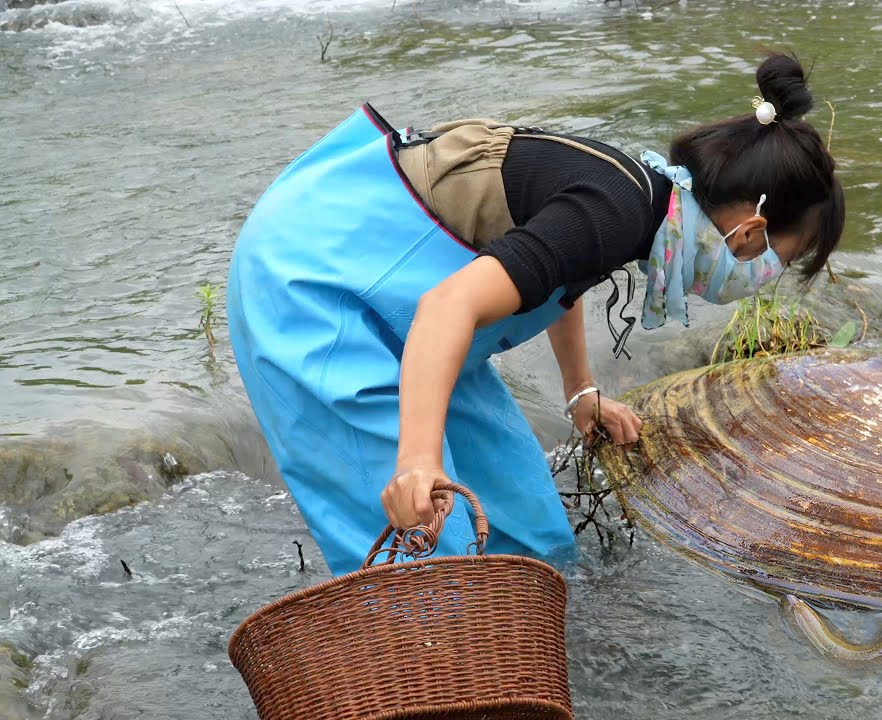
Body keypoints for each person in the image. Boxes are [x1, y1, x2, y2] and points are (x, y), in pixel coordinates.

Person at [225, 51, 845, 577]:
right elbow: (448, 303)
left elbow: (557, 279)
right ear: (751, 232)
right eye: (781, 261)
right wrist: (417, 460)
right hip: (315, 284)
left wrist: (581, 391)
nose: (766, 278)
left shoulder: (641, 204)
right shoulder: (620, 210)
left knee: (534, 538)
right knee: (426, 554)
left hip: (417, 324)